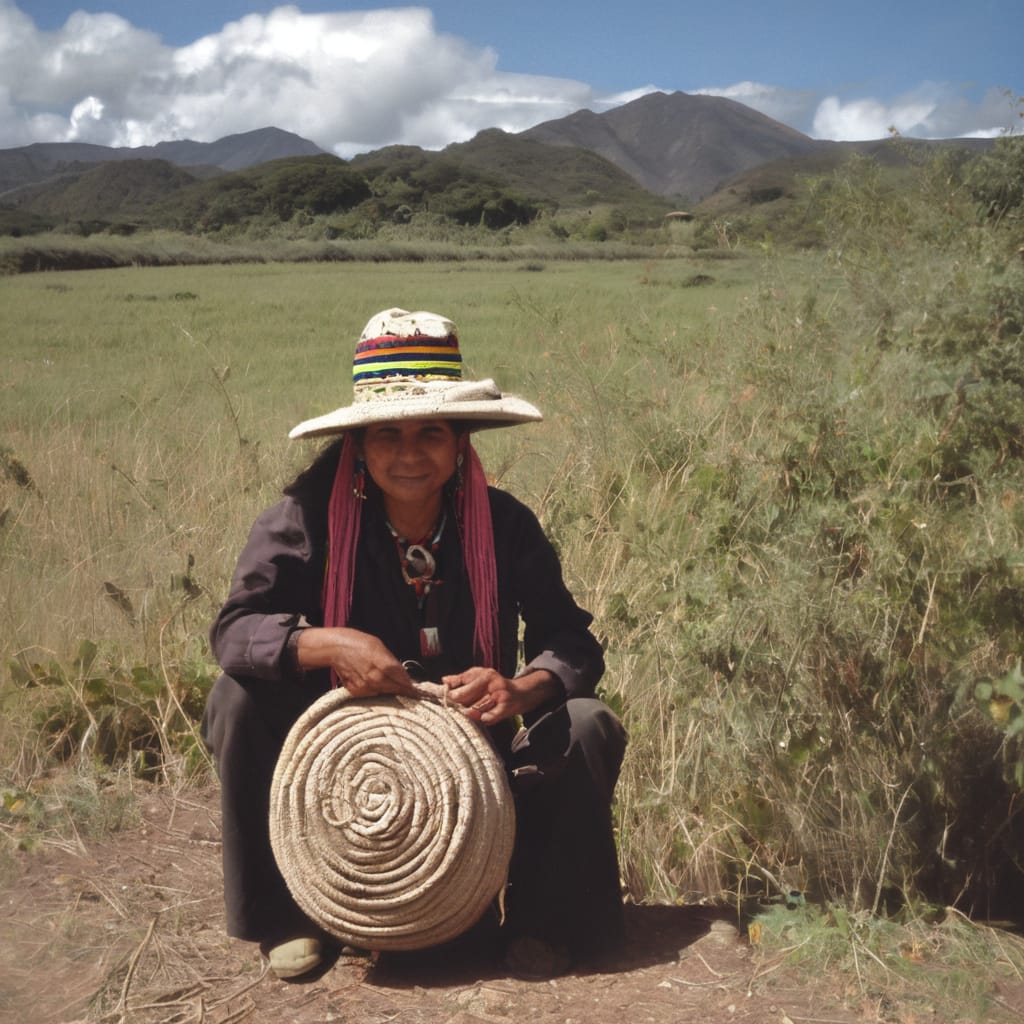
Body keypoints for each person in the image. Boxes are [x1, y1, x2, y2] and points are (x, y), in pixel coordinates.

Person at [202, 308, 626, 981]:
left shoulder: (506, 524)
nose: (409, 453)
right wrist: (329, 644)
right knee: (236, 700)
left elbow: (569, 639)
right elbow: (234, 631)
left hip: (475, 770)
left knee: (586, 721)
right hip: (344, 776)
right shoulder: (306, 520)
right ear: (360, 446)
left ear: (460, 442)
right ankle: (289, 915)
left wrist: (521, 688)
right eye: (387, 435)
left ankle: (545, 920)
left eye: (430, 432)